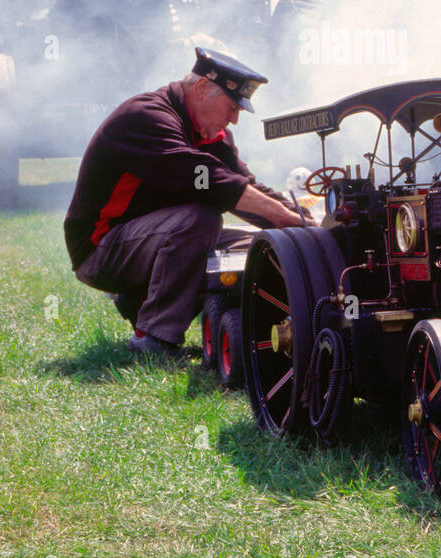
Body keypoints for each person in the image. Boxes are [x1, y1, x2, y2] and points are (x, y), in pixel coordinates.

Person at [64, 47, 303, 358]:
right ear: (202, 88)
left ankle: (141, 300)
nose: (234, 120)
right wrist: (286, 217)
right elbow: (212, 181)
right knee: (199, 220)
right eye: (232, 107)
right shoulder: (146, 118)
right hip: (100, 248)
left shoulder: (213, 133)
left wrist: (300, 220)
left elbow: (245, 187)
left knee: (263, 243)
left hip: (146, 239)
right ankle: (153, 338)